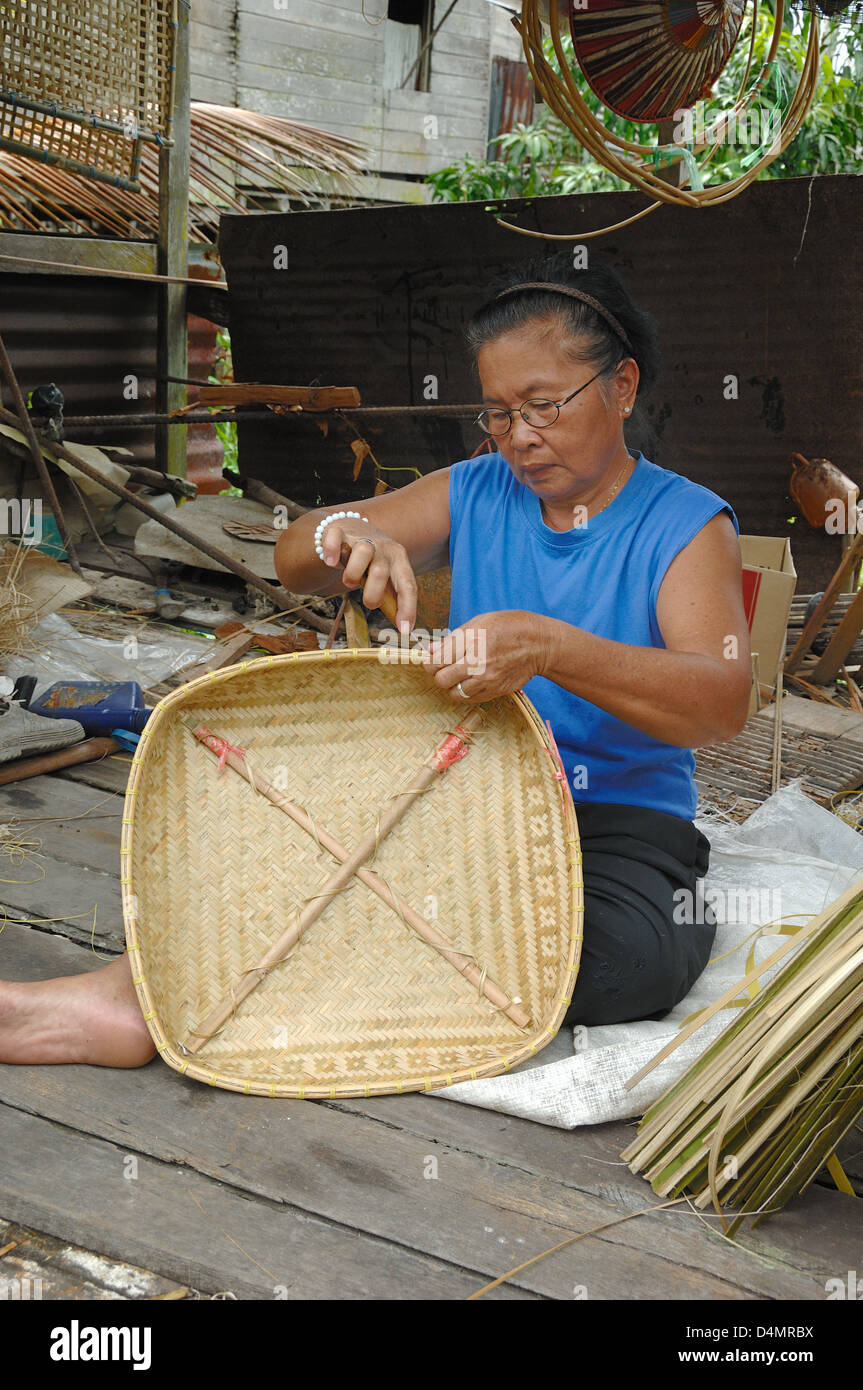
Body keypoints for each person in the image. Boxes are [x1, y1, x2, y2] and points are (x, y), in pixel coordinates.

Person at [0, 258, 749, 1067]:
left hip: (613, 829)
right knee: (281, 834)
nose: (519, 437)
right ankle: (131, 996)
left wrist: (550, 647)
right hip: (462, 796)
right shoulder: (479, 487)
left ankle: (225, 982)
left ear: (622, 386)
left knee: (626, 962)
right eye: (497, 414)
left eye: (542, 406)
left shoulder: (684, 525)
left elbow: (718, 703)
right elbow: (296, 554)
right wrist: (346, 536)